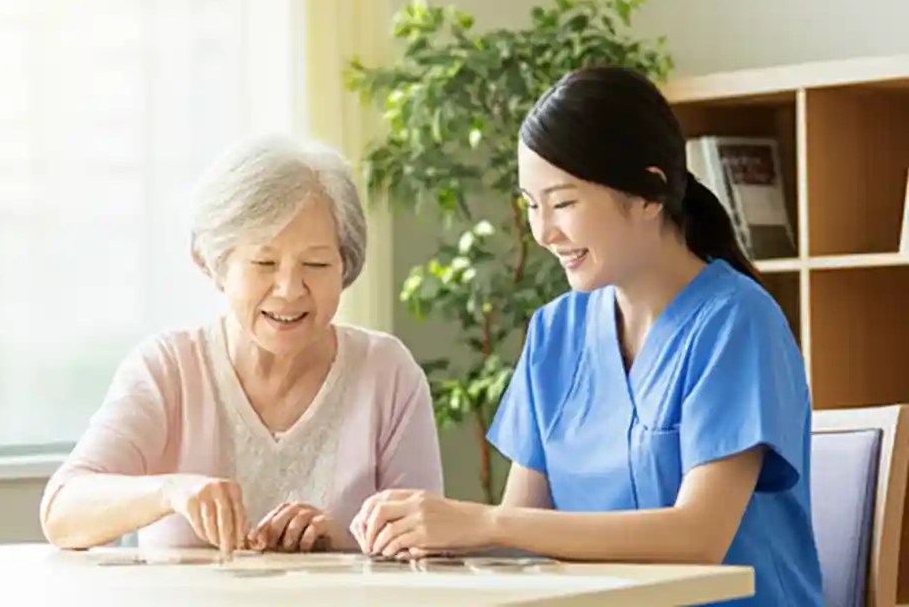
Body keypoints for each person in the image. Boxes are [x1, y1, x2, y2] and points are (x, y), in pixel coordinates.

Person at [350, 66, 823, 606]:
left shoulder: (737, 323)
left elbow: (699, 537)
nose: (544, 231)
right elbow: (518, 537)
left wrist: (484, 522)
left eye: (564, 203)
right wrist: (405, 537)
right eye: (531, 204)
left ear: (649, 193)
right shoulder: (556, 332)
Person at [40, 133, 443, 555]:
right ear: (215, 264)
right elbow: (62, 513)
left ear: (346, 265)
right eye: (264, 263)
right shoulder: (168, 369)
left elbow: (428, 554)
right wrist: (170, 491)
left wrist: (339, 543)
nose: (289, 289)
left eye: (316, 264)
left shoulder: (387, 373)